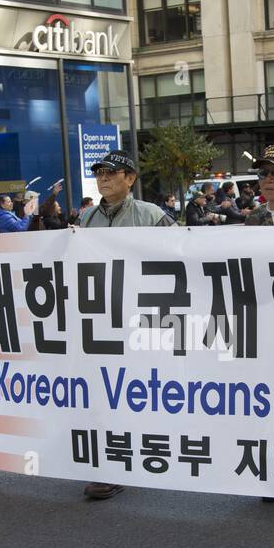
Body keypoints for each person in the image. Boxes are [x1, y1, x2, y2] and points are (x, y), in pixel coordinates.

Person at [78, 150, 173, 501]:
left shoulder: (151, 215)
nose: (103, 178)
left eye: (111, 172)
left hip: (141, 318)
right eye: (99, 173)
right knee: (104, 390)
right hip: (100, 319)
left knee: (137, 390)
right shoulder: (86, 218)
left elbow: (182, 255)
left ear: (130, 179)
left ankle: (138, 451)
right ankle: (111, 464)